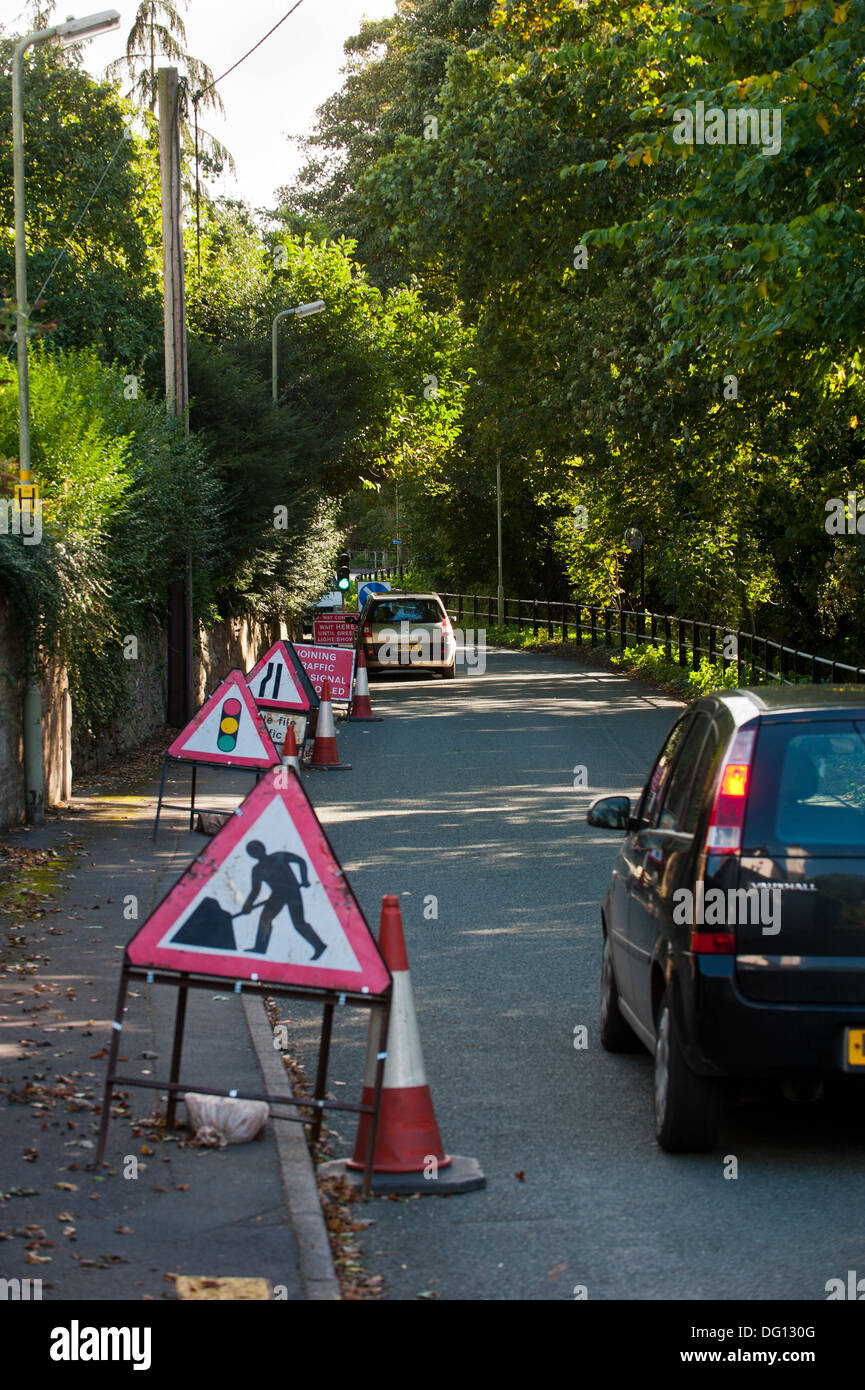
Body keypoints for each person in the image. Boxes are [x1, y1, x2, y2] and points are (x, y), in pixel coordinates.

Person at [240, 840, 326, 960]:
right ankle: (260, 948)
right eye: (253, 852)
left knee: (298, 922)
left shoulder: (279, 856)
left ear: (263, 848)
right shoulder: (257, 869)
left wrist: (304, 879)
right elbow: (255, 890)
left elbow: (300, 861)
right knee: (265, 919)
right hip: (277, 895)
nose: (256, 853)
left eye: (257, 849)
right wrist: (247, 905)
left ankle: (320, 946)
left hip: (292, 892)